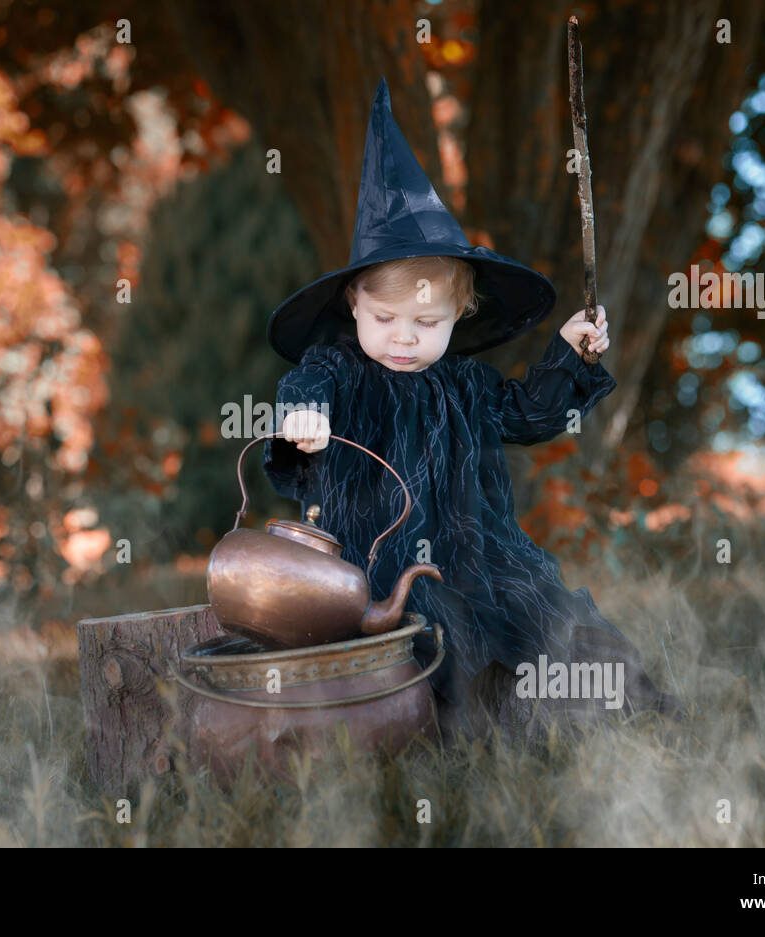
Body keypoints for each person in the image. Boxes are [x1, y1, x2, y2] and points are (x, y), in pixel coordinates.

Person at [261, 78, 685, 745]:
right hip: (378, 572)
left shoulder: (465, 384)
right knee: (432, 636)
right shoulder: (336, 371)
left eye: (427, 320)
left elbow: (530, 415)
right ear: (351, 304)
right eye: (386, 317)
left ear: (460, 314)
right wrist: (304, 421)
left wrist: (569, 357)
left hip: (482, 556)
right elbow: (299, 390)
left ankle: (612, 722)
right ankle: (450, 744)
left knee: (550, 618)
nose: (405, 336)